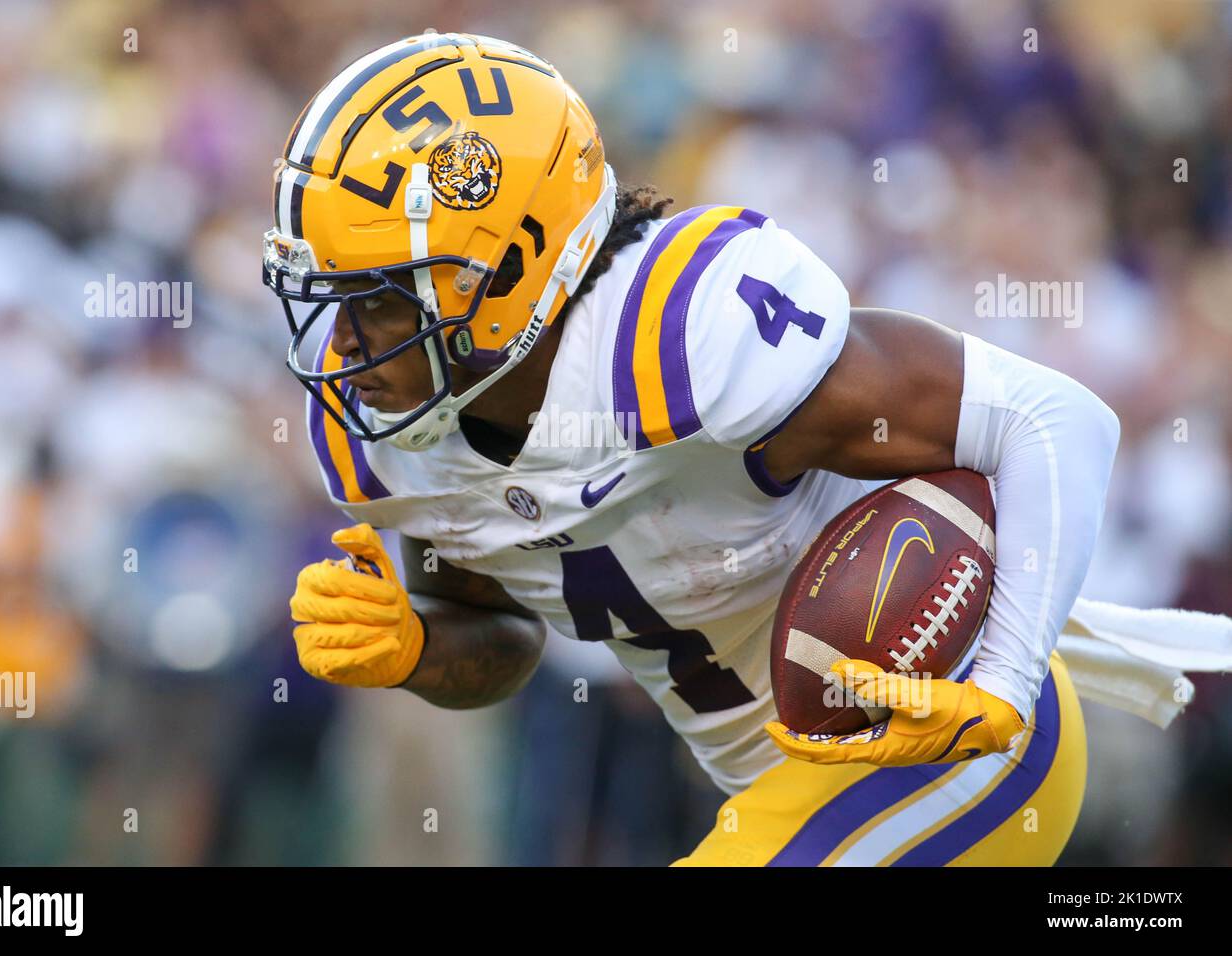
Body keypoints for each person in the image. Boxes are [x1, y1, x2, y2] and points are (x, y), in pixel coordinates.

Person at [263, 33, 1118, 865]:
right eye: (326, 300)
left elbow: (1058, 419)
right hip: (781, 799)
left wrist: (1003, 684)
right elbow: (501, 633)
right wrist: (416, 649)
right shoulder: (394, 439)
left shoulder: (680, 339)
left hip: (960, 738)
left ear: (505, 271)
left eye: (372, 300)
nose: (339, 345)